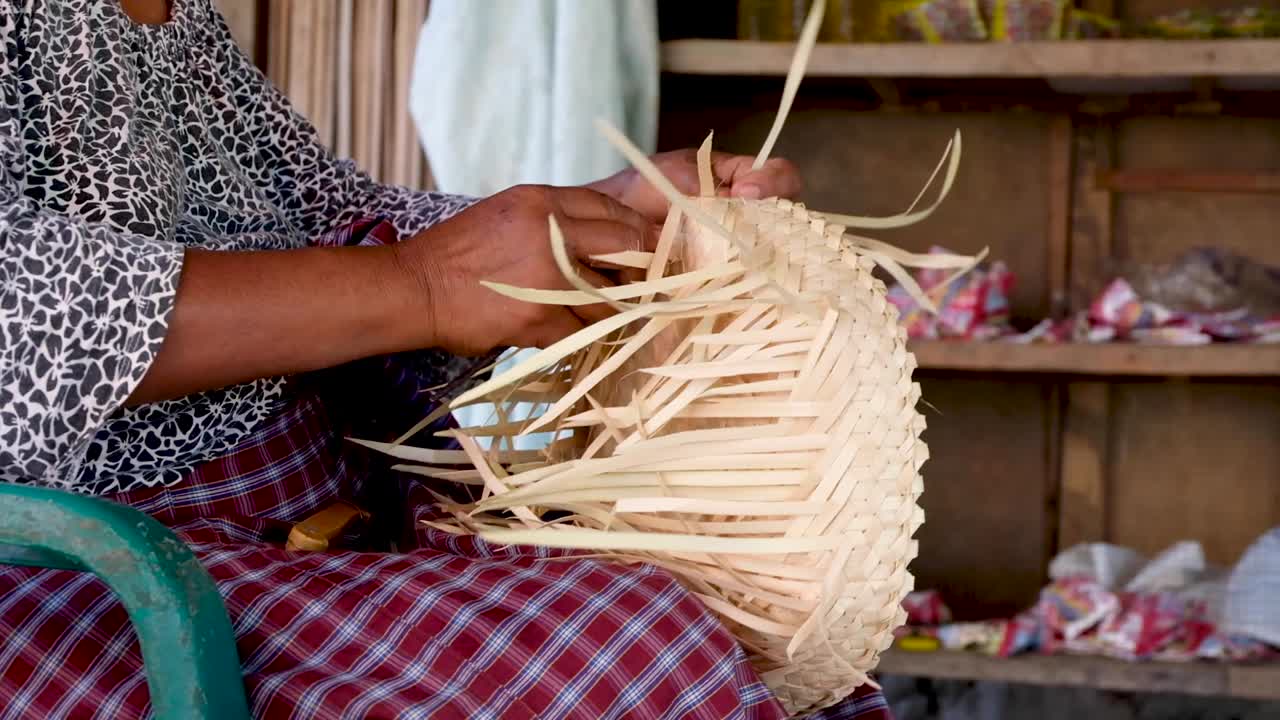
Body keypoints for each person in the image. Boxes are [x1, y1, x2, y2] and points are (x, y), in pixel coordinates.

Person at [0, 1, 891, 718]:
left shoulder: (175, 18)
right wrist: (423, 283)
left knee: (764, 633)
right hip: (94, 575)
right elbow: (23, 315)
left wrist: (593, 218)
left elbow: (325, 221)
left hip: (315, 521)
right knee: (633, 652)